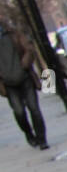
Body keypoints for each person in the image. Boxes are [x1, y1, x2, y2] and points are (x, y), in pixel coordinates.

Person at [0, 22, 48, 150]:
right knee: (19, 111)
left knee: (34, 108)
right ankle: (28, 133)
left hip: (25, 78)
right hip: (8, 84)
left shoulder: (13, 33)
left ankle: (42, 139)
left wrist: (24, 64)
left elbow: (29, 49)